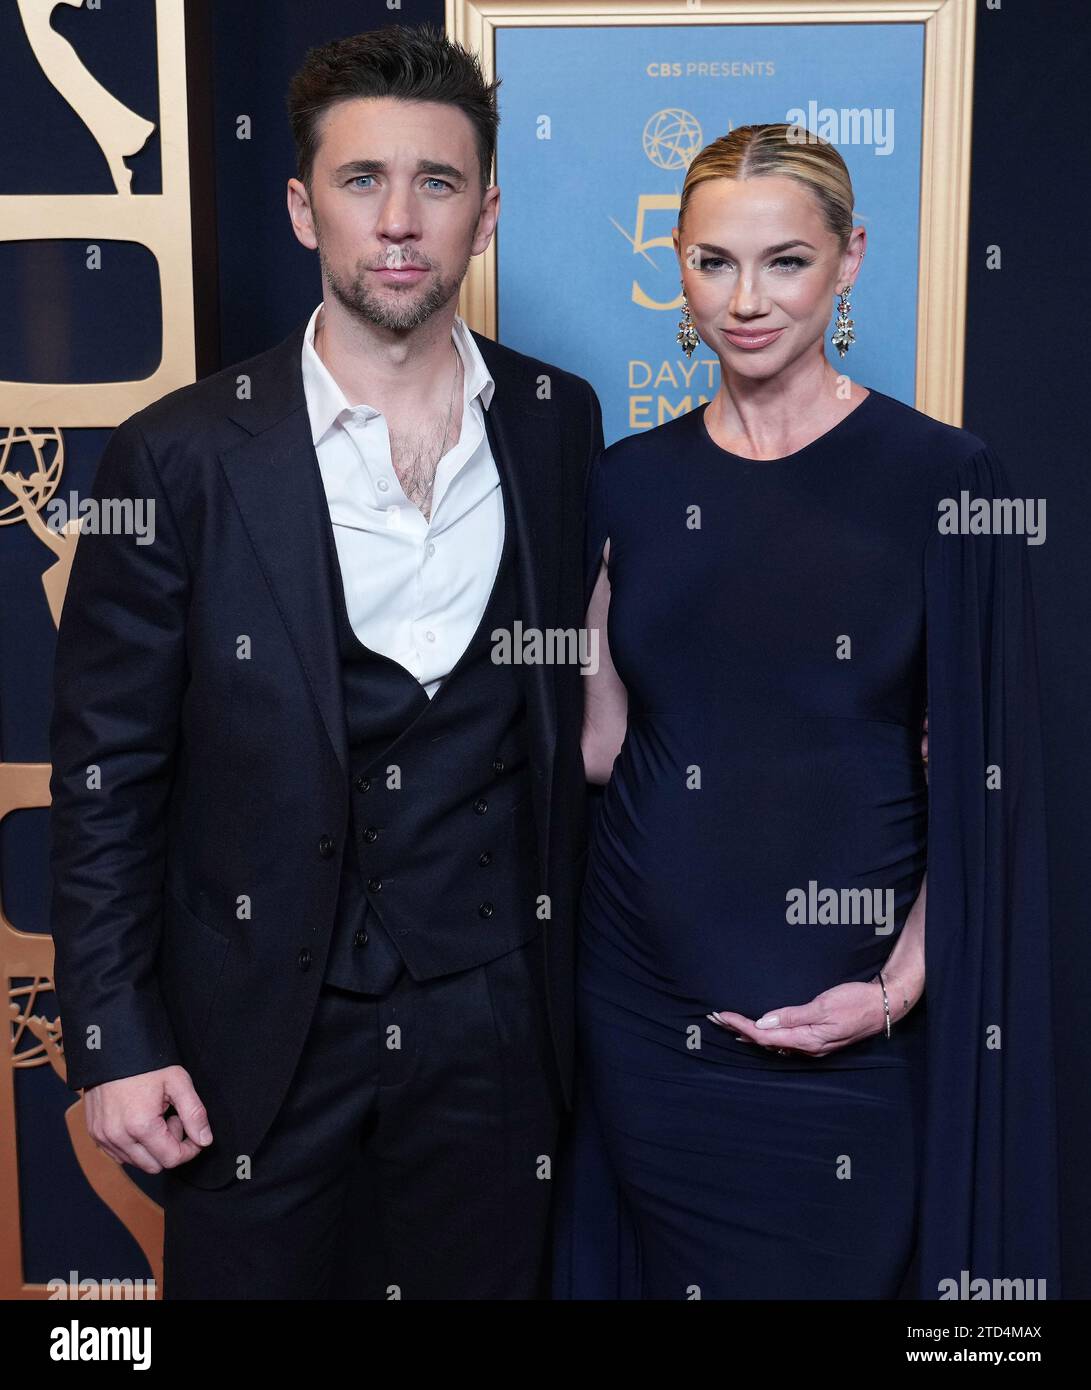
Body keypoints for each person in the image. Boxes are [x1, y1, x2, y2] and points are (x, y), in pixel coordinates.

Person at [49, 24, 601, 1300]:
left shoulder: (554, 422)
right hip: (251, 1035)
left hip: (494, 1030)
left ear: (487, 211)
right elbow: (105, 778)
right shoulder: (179, 454)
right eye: (361, 182)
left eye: (438, 182)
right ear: (303, 209)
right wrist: (115, 1037)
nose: (399, 220)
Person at [554, 123, 1060, 1300]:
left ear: (849, 260)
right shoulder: (627, 481)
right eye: (712, 260)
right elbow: (601, 746)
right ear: (674, 263)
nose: (744, 299)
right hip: (642, 1014)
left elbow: (982, 782)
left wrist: (893, 988)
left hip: (851, 1024)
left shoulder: (940, 477)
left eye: (783, 260)